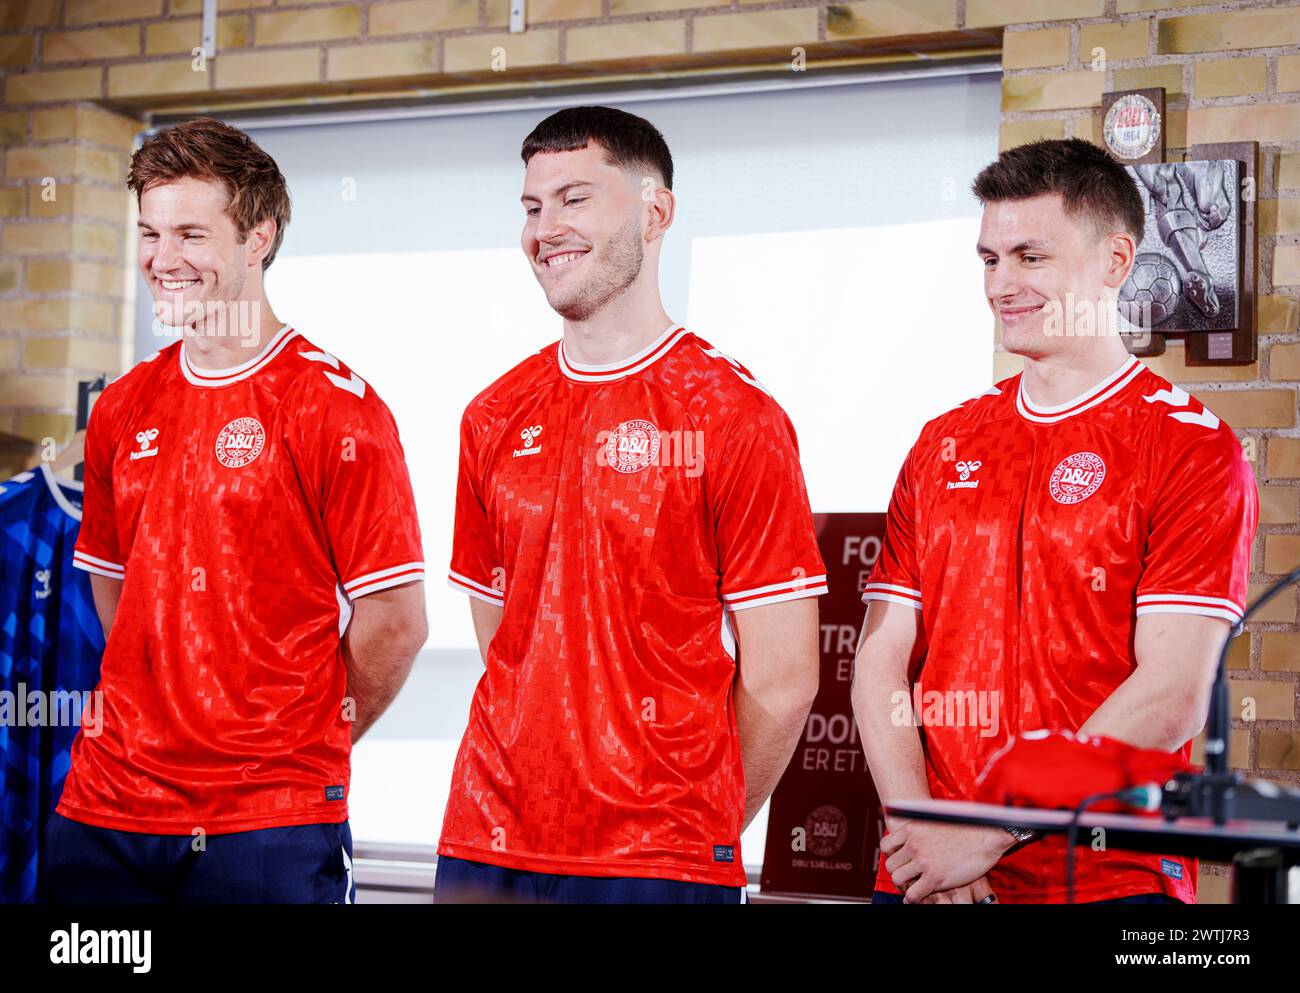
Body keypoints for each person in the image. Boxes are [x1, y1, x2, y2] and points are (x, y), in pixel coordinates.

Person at [851, 138, 1257, 905]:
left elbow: (1169, 694)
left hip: (1106, 880)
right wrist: (922, 839)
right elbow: (881, 661)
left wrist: (986, 831)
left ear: (1114, 259)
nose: (1002, 283)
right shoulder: (944, 442)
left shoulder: (1190, 447)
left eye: (1030, 256)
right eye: (990, 259)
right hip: (926, 877)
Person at [436, 106, 826, 904]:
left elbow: (784, 679)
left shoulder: (734, 415)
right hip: (486, 841)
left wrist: (696, 826)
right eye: (532, 206)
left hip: (656, 863)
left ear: (656, 212)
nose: (546, 228)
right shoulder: (493, 414)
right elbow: (505, 640)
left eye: (575, 198)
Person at [46, 118, 428, 904]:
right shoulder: (122, 408)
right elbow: (118, 594)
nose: (162, 258)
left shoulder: (335, 407)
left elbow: (395, 619)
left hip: (268, 822)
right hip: (108, 811)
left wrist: (297, 738)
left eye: (191, 232)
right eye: (150, 232)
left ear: (260, 235)